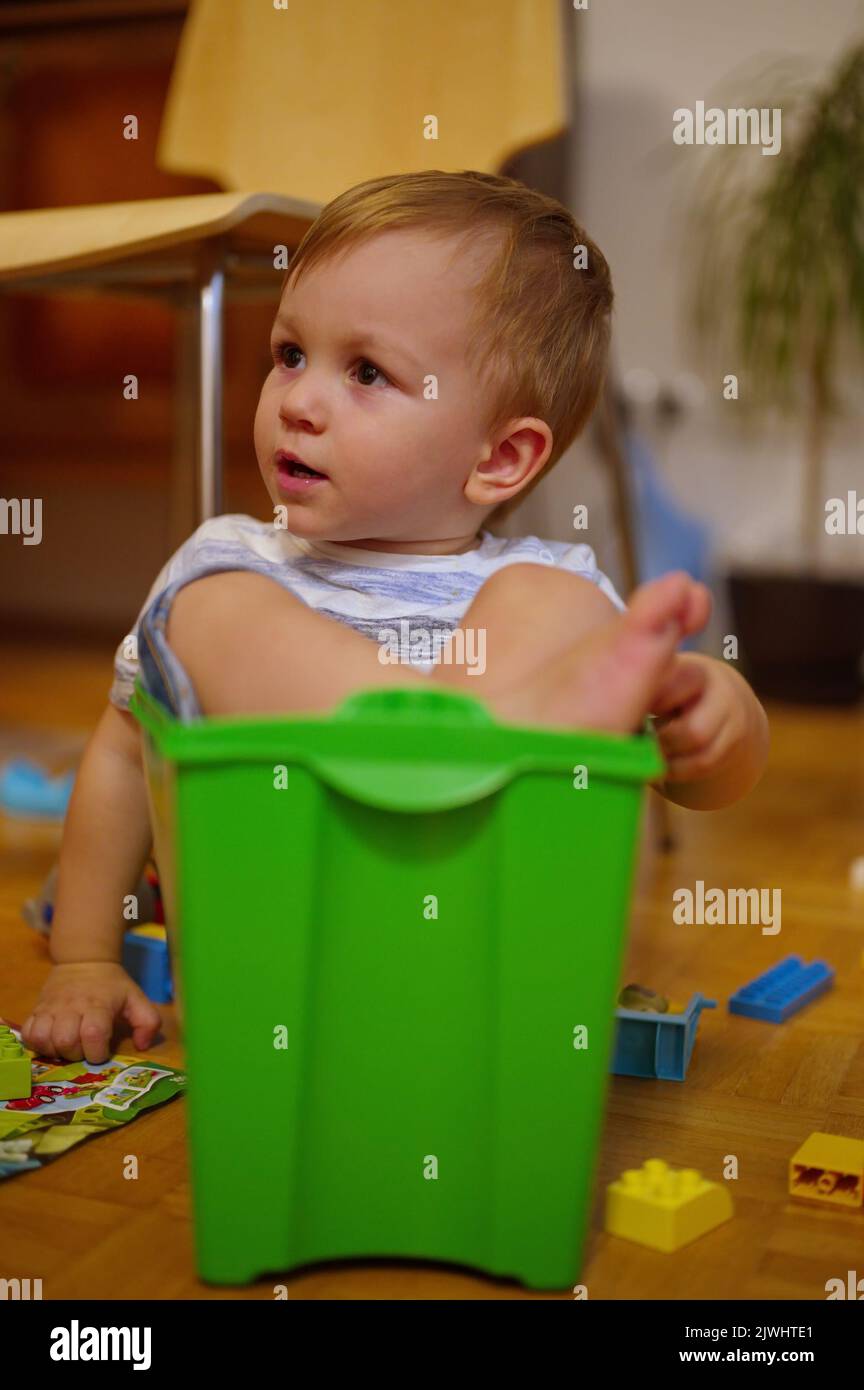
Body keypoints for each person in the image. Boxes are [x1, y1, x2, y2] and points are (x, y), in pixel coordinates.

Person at [22, 170, 769, 1066]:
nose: (297, 400)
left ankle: (466, 742)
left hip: (464, 941)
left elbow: (701, 778)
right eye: (290, 353)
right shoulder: (241, 559)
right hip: (288, 949)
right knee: (206, 601)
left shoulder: (542, 583)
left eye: (366, 372)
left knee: (557, 604)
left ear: (498, 458)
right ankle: (438, 738)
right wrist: (87, 956)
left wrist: (716, 715)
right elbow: (119, 748)